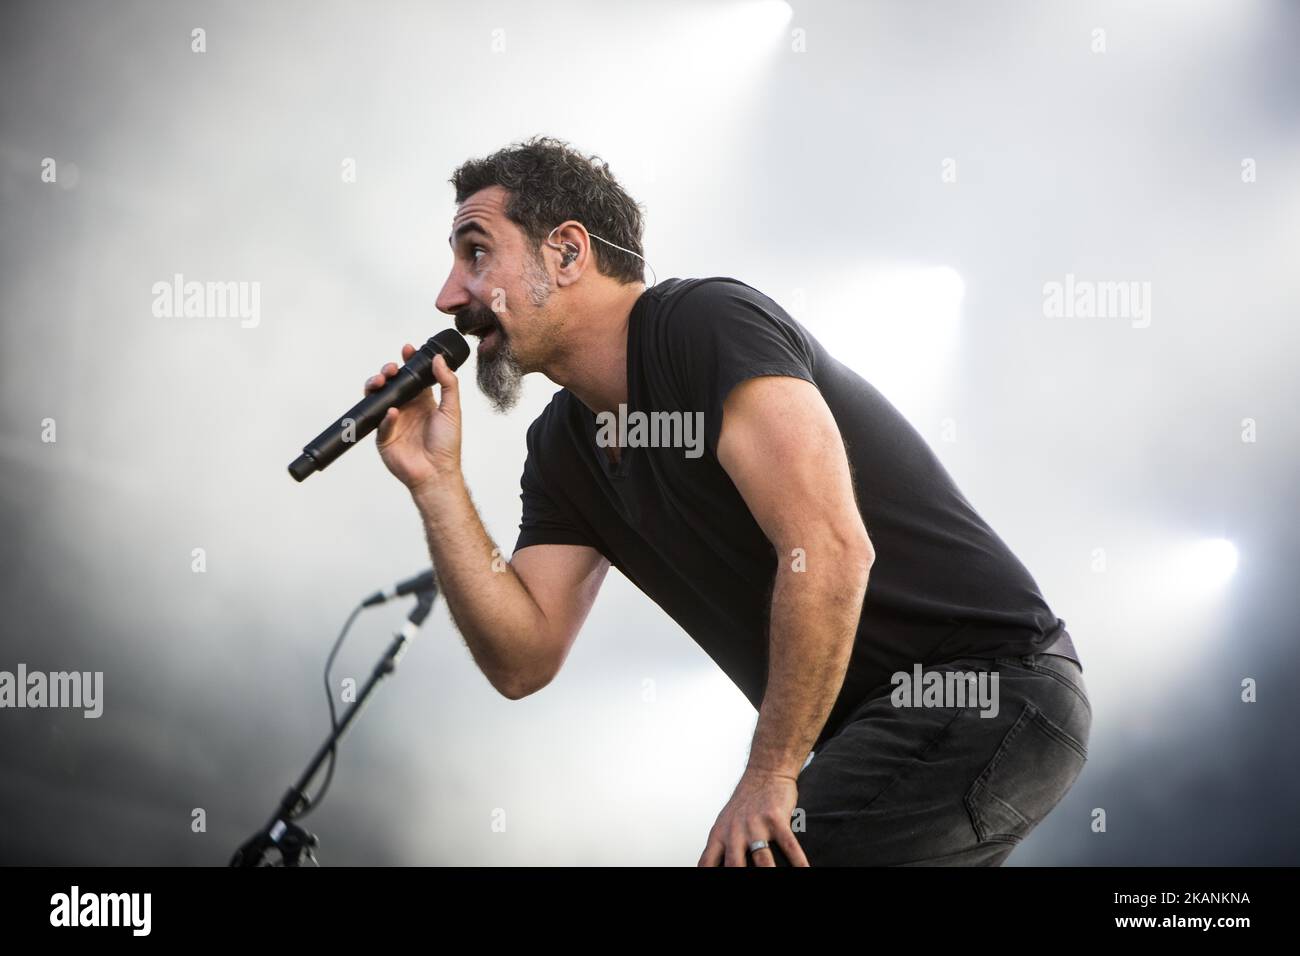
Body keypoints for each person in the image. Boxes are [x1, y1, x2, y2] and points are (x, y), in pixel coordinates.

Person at [364, 136, 1091, 866]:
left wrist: (771, 774)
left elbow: (832, 547)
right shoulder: (562, 450)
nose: (449, 294)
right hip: (888, 732)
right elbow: (523, 659)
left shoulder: (703, 324)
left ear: (567, 253)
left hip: (987, 690)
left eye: (476, 252)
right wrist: (437, 484)